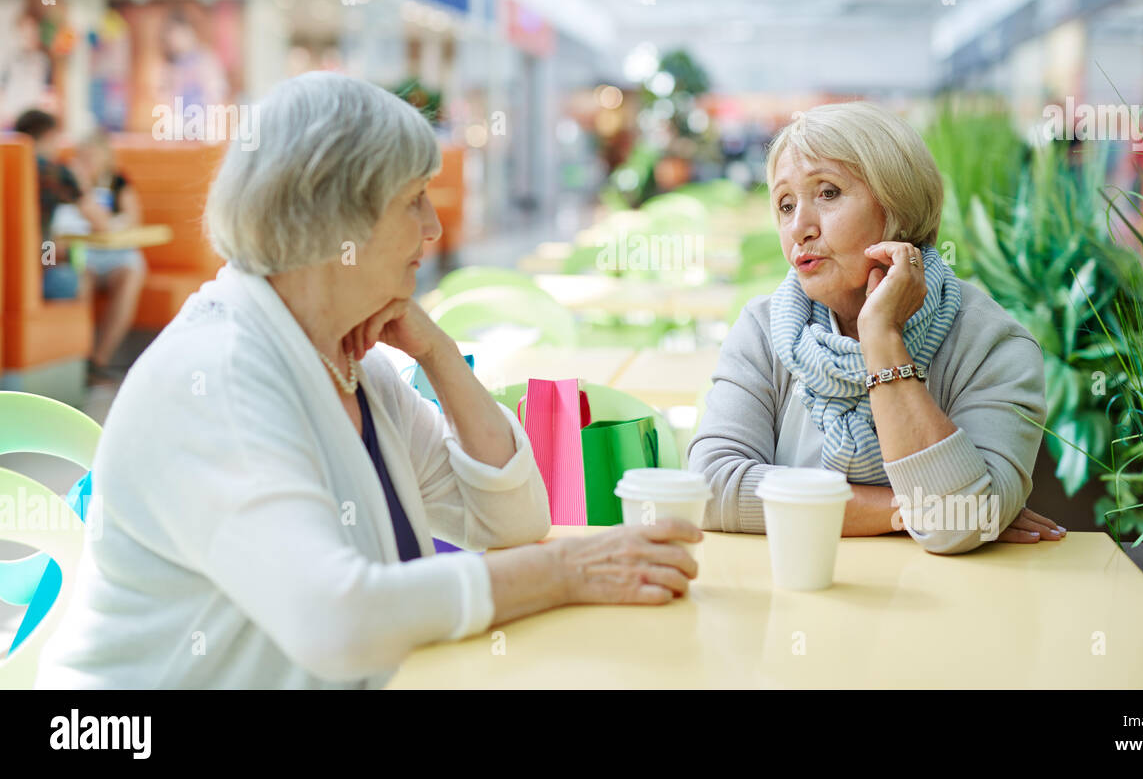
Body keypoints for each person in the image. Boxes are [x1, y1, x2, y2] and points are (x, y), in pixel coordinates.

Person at [35, 72, 701, 689]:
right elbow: (335, 622)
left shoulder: (356, 364)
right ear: (332, 218)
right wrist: (564, 573)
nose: (436, 228)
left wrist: (438, 352)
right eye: (414, 201)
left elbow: (512, 521)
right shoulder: (217, 376)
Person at [689, 102, 1063, 555]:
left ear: (897, 204)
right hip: (795, 602)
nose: (800, 228)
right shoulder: (764, 329)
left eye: (827, 193)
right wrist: (904, 512)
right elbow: (709, 488)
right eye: (785, 205)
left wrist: (882, 338)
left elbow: (959, 524)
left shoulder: (994, 346)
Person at [64, 134, 148, 381]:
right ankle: (77, 359)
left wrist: (112, 225)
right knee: (79, 281)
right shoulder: (68, 184)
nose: (88, 161)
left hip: (117, 255)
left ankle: (98, 361)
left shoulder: (118, 181)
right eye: (83, 155)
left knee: (132, 272)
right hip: (83, 253)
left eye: (93, 155)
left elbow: (133, 220)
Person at [13, 109, 112, 302]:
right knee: (75, 275)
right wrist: (80, 181)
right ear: (50, 136)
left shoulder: (6, 162)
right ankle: (73, 331)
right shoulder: (54, 173)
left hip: (8, 275)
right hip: (35, 274)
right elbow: (102, 225)